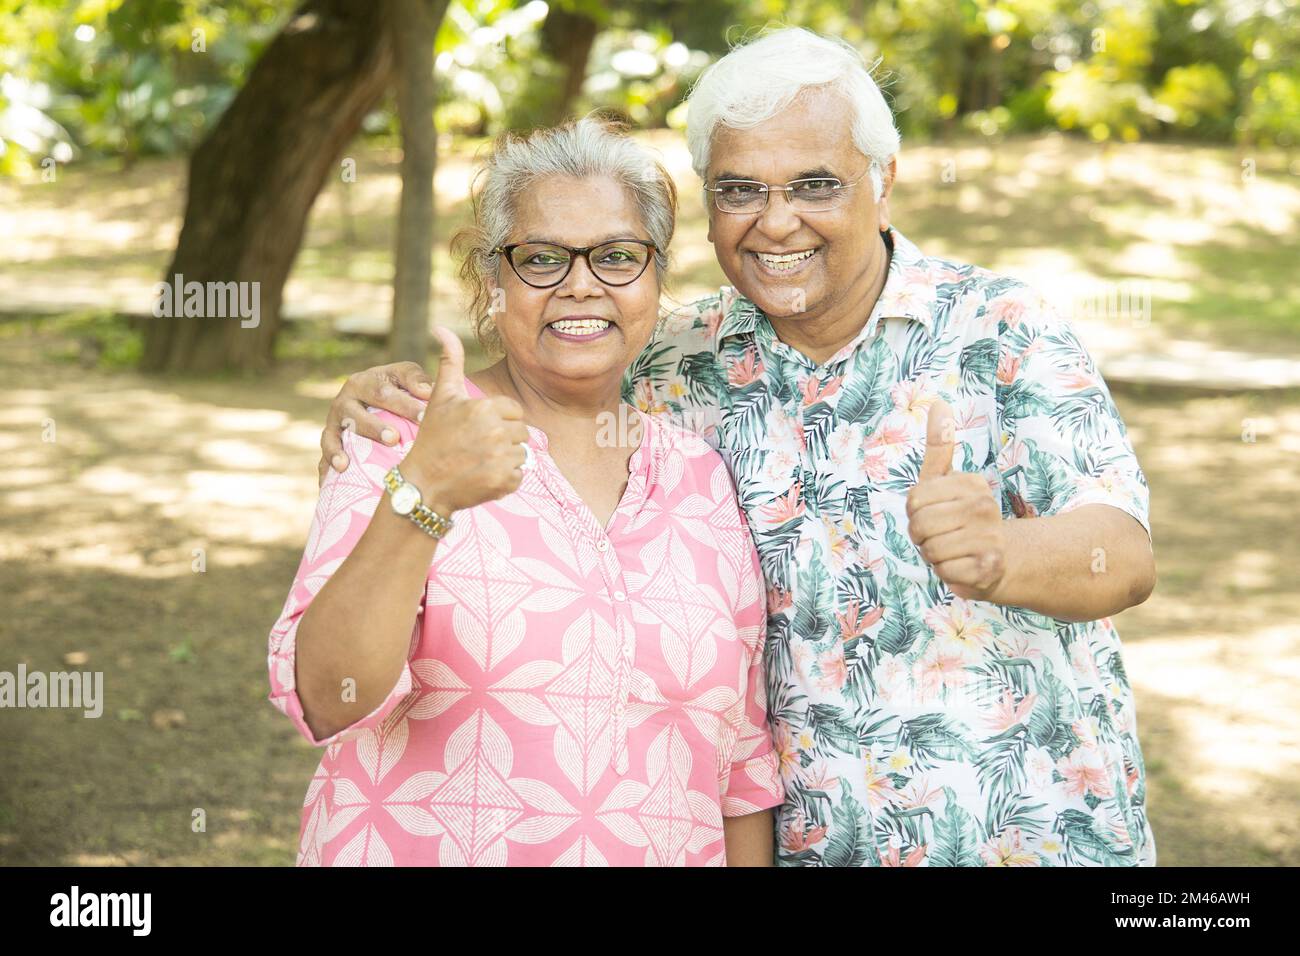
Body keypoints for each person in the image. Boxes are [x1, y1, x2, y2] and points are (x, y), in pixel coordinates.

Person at [318, 29, 1158, 867]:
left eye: (816, 184)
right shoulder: (674, 362)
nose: (777, 219)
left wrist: (1003, 554)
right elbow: (554, 345)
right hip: (809, 847)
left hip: (1026, 833)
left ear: (886, 183)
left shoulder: (1000, 325)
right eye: (740, 189)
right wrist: (383, 398)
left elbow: (1122, 556)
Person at [268, 117, 783, 866]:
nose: (581, 283)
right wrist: (425, 497)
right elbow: (327, 698)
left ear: (655, 277)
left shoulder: (700, 478)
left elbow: (738, 768)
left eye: (617, 256)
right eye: (541, 258)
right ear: (493, 279)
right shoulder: (401, 438)